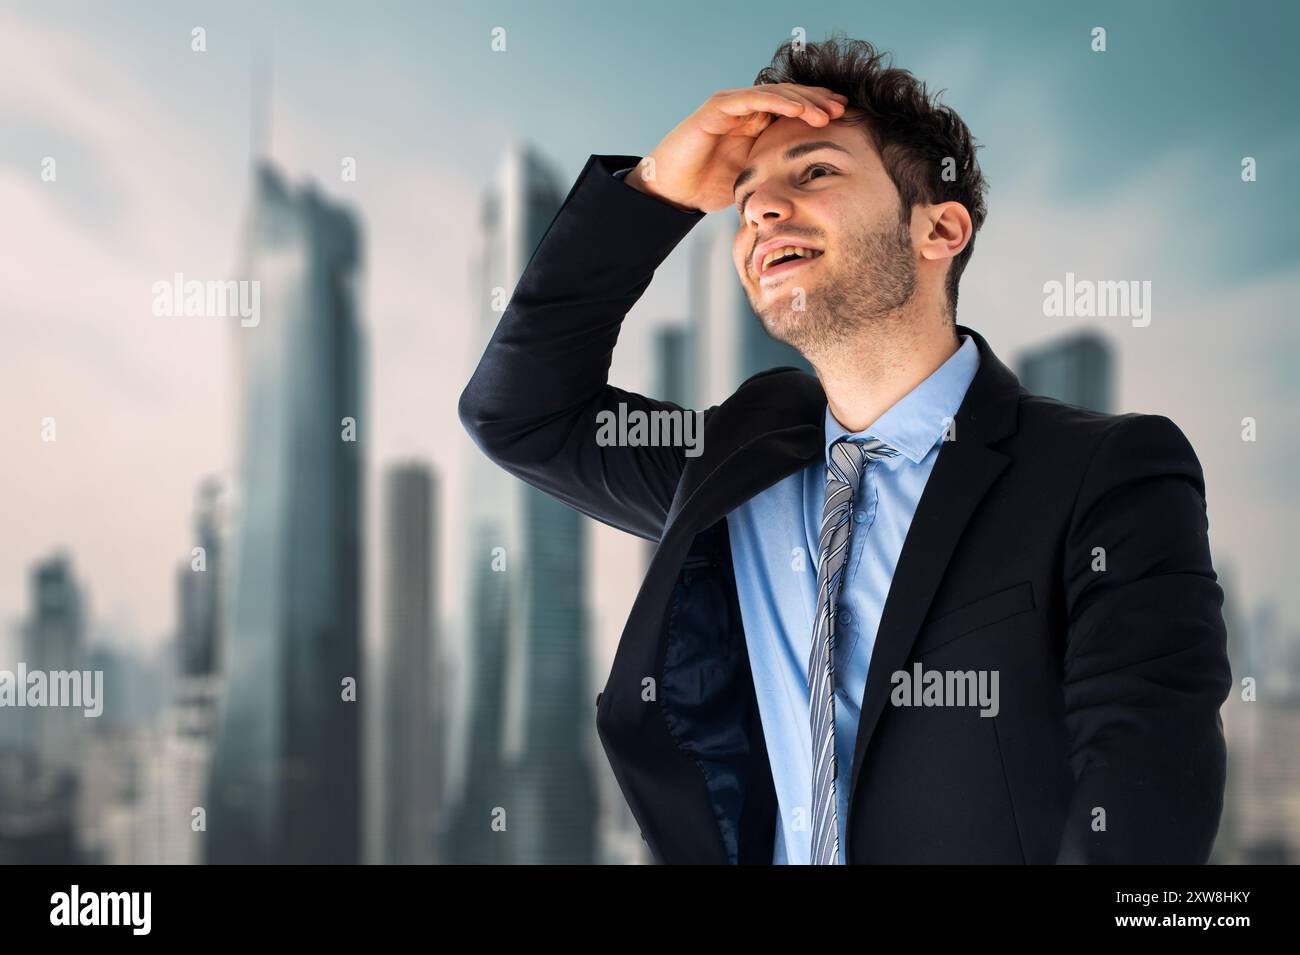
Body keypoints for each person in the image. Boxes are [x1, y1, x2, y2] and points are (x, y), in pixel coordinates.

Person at [458, 34, 1231, 864]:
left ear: (940, 228)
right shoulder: (731, 470)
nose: (760, 209)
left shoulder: (1105, 471)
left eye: (816, 171)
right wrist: (653, 194)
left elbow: (1146, 776)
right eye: (746, 194)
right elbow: (520, 414)